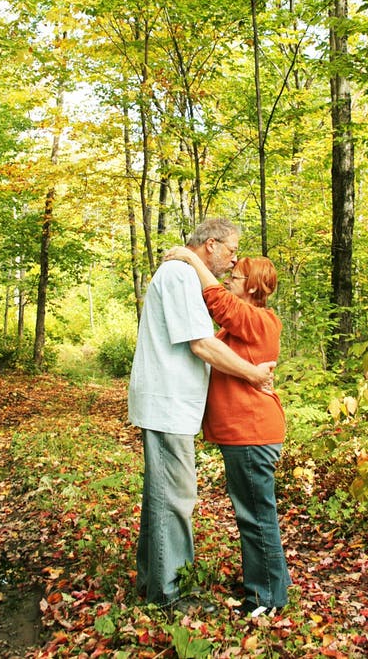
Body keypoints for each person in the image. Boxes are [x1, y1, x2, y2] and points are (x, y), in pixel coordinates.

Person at [128, 218, 276, 610]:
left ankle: (152, 582)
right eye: (231, 251)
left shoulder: (185, 274)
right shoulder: (179, 275)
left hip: (171, 403)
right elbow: (202, 344)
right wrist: (253, 375)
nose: (234, 260)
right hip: (168, 403)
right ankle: (170, 595)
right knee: (174, 498)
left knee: (163, 495)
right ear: (211, 244)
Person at [164, 245, 291, 617]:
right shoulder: (241, 325)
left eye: (235, 277)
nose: (228, 280)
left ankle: (265, 599)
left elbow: (218, 300)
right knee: (255, 512)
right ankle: (273, 586)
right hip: (245, 433)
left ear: (251, 286)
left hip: (252, 431)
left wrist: (192, 259)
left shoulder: (260, 320)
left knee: (255, 515)